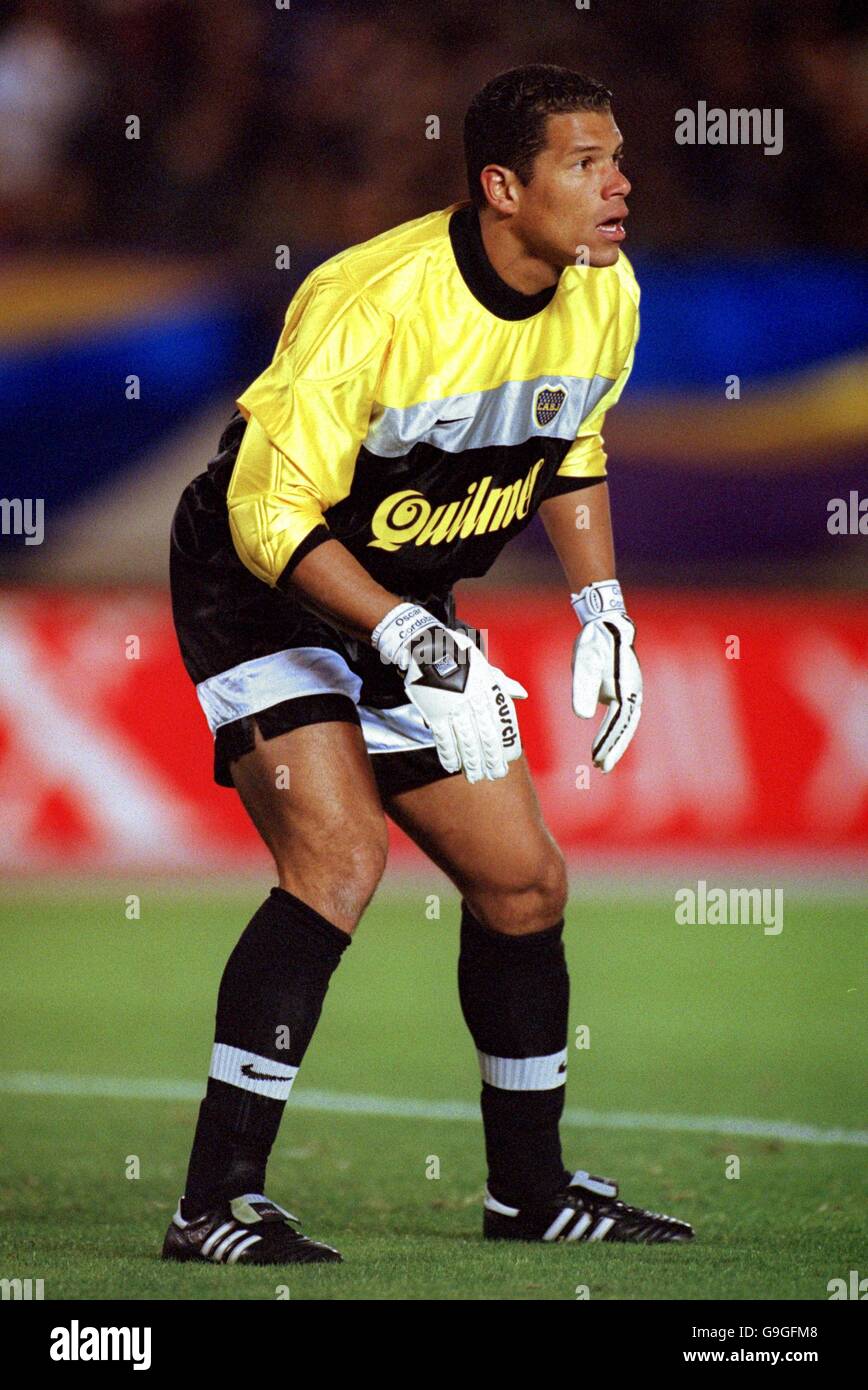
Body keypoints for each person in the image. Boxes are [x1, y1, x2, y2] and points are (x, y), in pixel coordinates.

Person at [164, 63, 693, 1265]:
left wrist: (600, 602)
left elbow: (572, 447)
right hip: (263, 586)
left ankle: (528, 1193)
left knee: (523, 884)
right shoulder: (373, 300)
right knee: (339, 857)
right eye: (586, 163)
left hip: (404, 594)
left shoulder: (604, 294)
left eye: (618, 159)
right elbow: (265, 509)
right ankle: (209, 1204)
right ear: (502, 186)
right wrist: (400, 632)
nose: (619, 186)